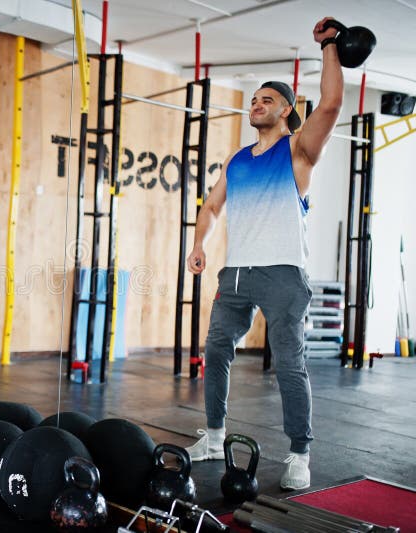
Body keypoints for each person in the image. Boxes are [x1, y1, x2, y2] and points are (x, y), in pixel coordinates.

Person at [184, 17, 344, 491]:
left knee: (290, 362)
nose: (256, 105)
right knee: (215, 351)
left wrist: (330, 46)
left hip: (282, 273)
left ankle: (300, 453)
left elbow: (332, 104)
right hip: (236, 273)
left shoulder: (297, 153)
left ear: (287, 110)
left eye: (266, 100)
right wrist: (199, 244)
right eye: (253, 100)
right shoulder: (236, 160)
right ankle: (213, 437)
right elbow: (212, 207)